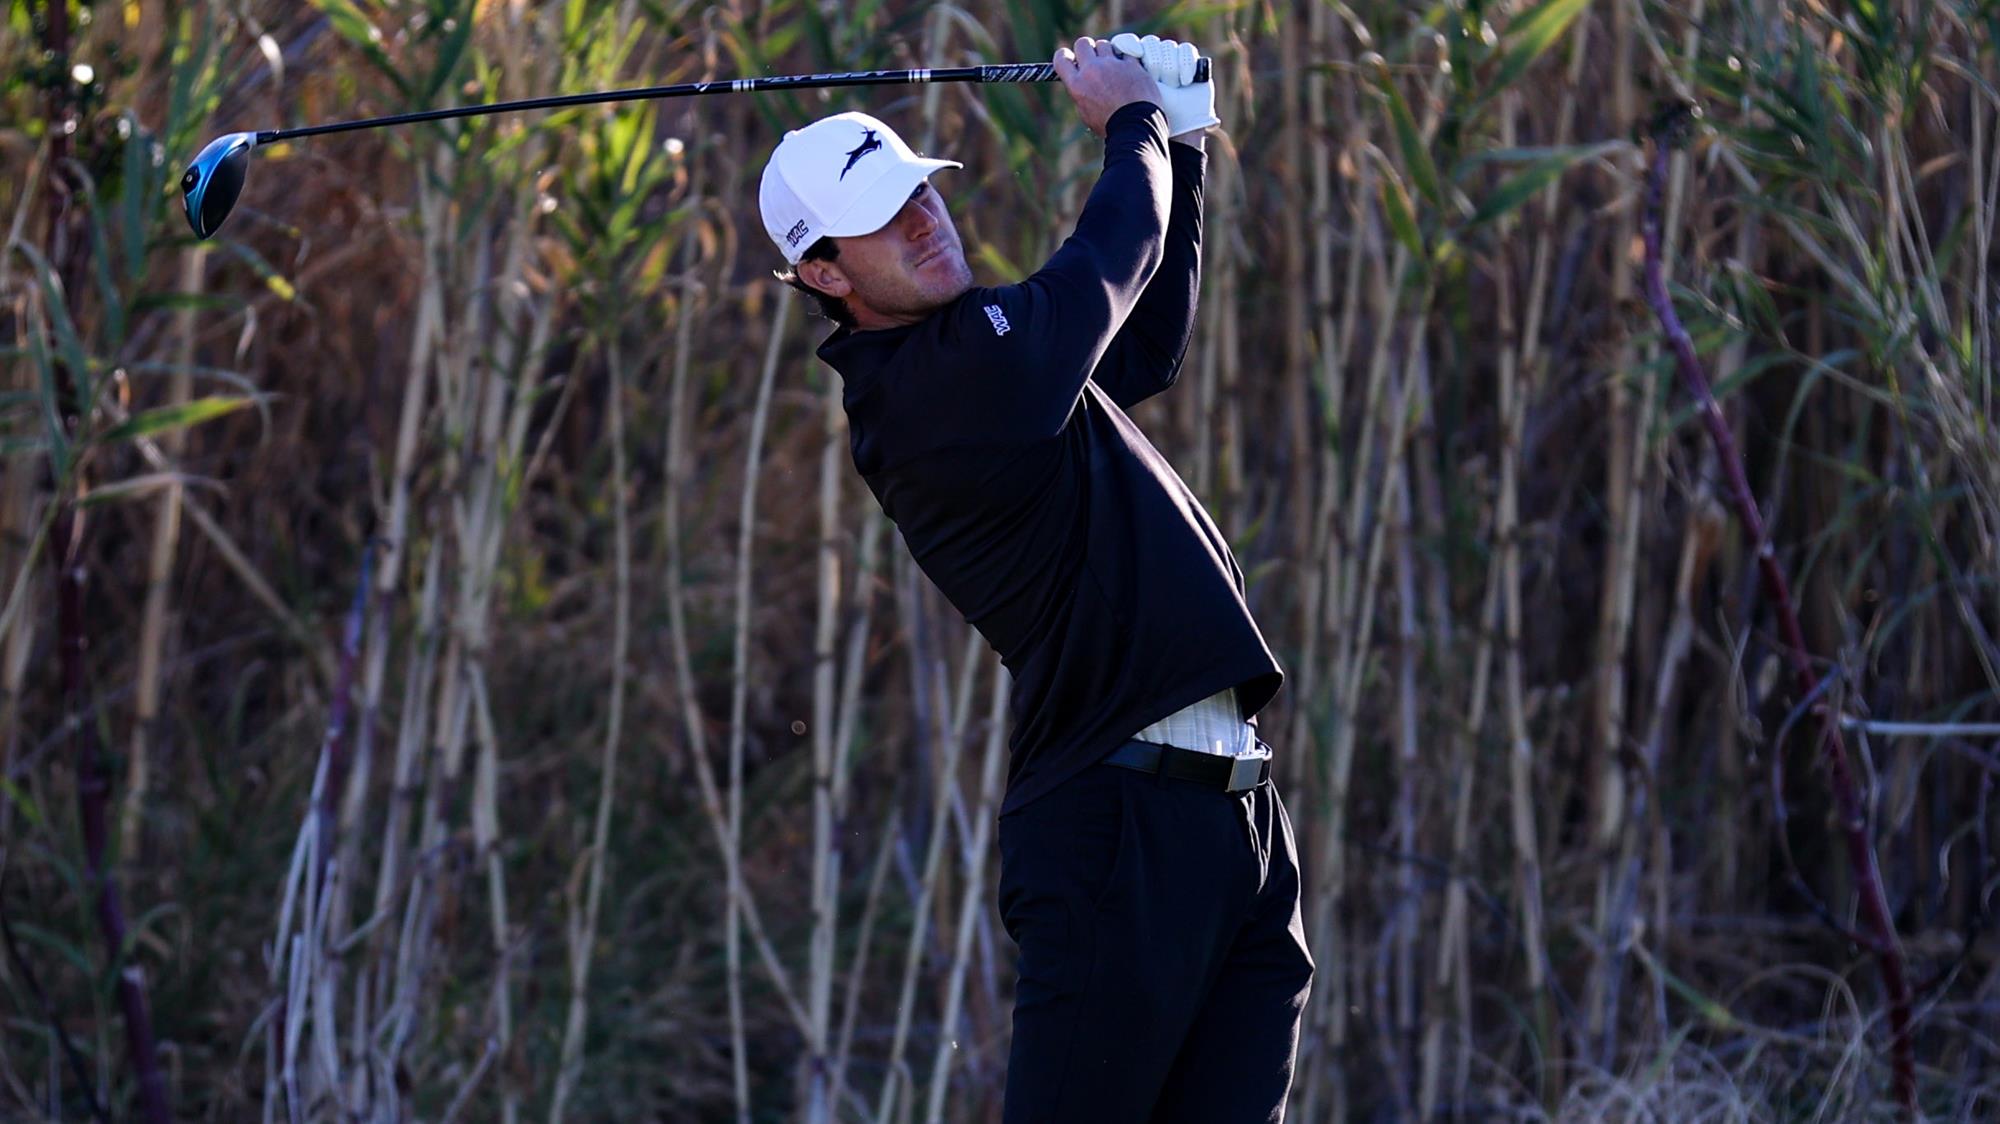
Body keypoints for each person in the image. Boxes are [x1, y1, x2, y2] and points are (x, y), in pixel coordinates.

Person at [758, 34, 1314, 1122]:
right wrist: (1129, 121)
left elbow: (1140, 343)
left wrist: (1182, 142)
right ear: (824, 273)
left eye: (921, 195)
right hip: (1115, 825)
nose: (926, 220)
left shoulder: (983, 349)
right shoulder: (926, 396)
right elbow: (1112, 254)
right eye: (885, 219)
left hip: (1233, 824)